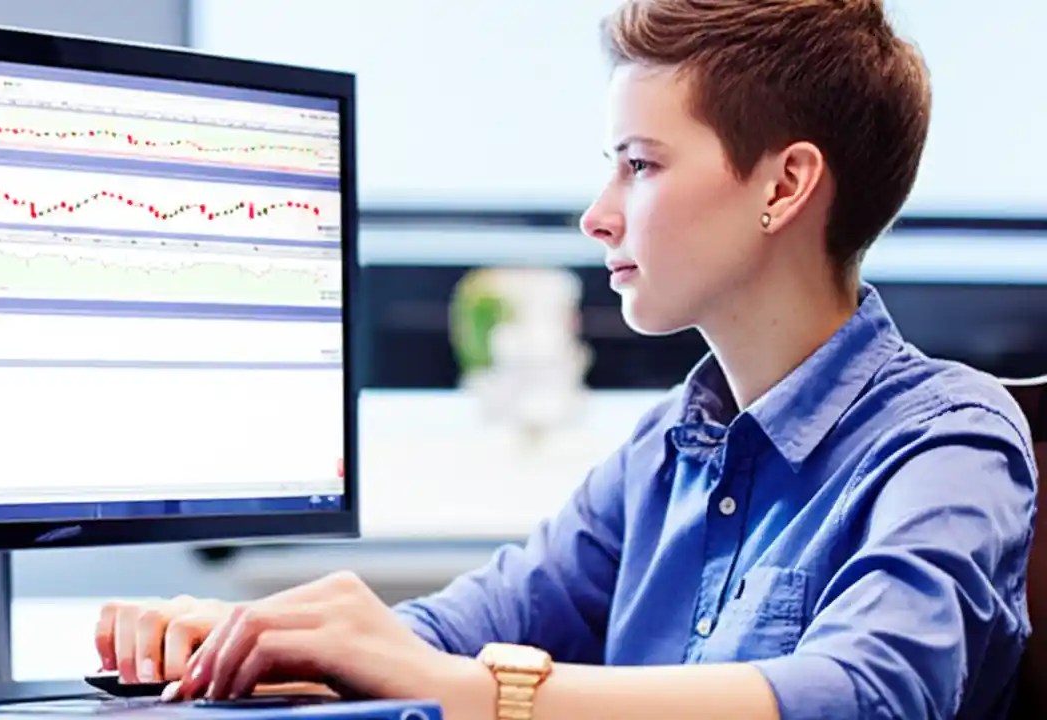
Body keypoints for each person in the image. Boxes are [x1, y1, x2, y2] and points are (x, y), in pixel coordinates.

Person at [94, 0, 1039, 718]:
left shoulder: (948, 439)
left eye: (641, 163)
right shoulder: (668, 449)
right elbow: (460, 631)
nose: (600, 213)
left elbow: (864, 690)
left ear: (785, 185)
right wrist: (255, 641)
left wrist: (472, 688)